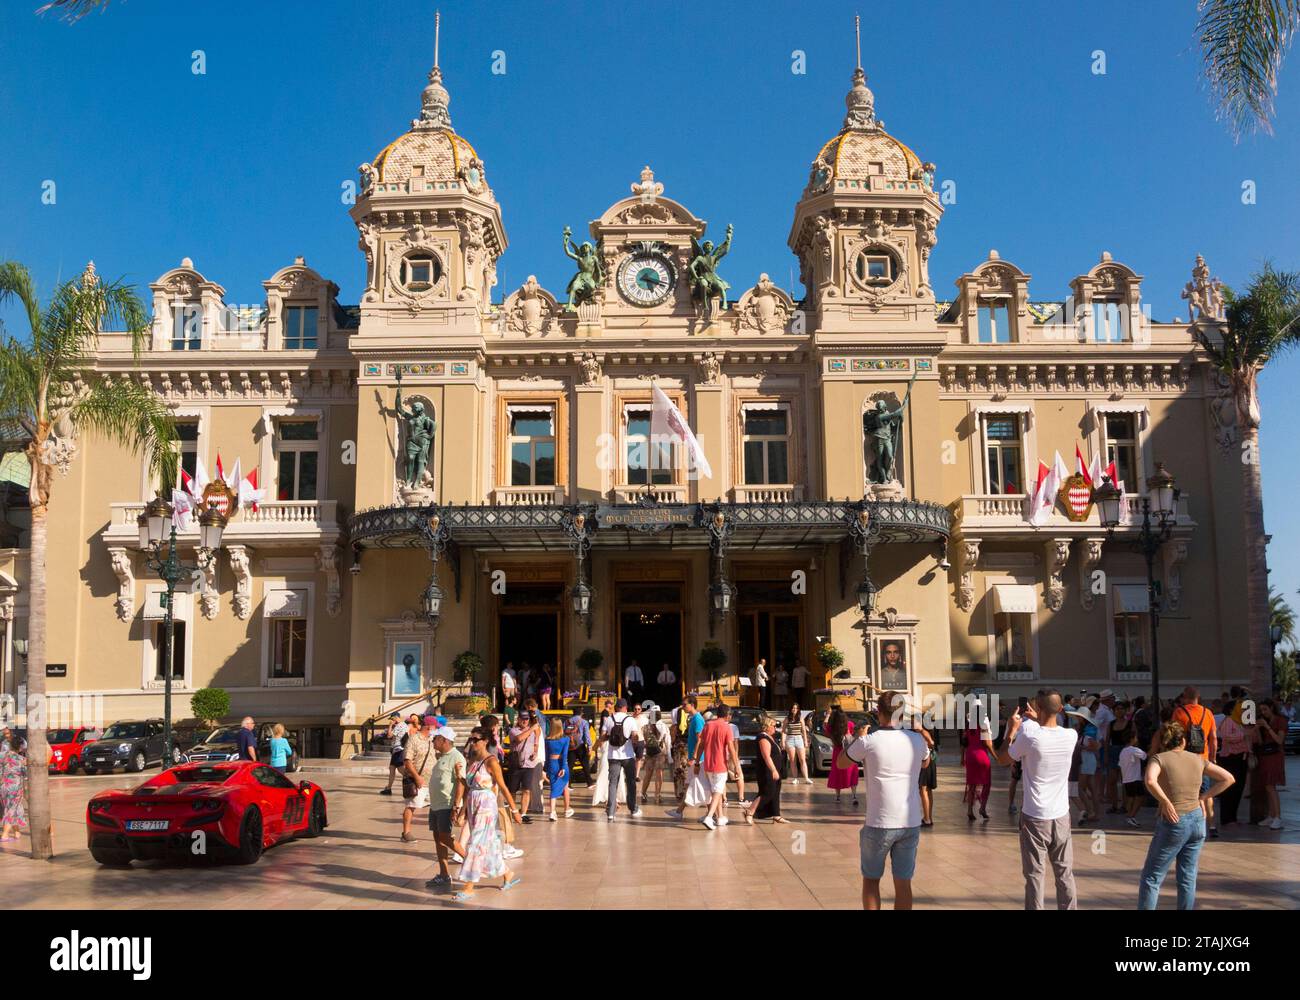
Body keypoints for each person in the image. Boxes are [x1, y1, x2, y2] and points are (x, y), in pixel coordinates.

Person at [837, 691, 928, 909]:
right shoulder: (917, 740)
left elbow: (841, 762)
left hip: (880, 822)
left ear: (879, 712)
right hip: (910, 821)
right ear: (902, 712)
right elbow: (925, 763)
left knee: (871, 880)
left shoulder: (869, 741)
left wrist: (858, 737)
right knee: (903, 882)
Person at [1137, 721, 1234, 909]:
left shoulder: (1159, 758)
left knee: (1152, 877)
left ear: (1165, 742)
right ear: (1183, 740)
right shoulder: (1197, 759)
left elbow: (1150, 780)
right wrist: (1204, 797)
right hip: (1198, 821)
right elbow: (1228, 778)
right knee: (1187, 878)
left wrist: (1164, 801)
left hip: (1174, 821)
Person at [996, 692, 1078, 911]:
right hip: (1061, 814)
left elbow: (1003, 759)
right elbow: (1047, 729)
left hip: (1035, 815)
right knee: (1064, 872)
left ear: (1038, 709)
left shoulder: (1030, 737)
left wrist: (1012, 731)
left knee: (1034, 875)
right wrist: (1036, 719)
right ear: (1061, 710)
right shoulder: (1071, 736)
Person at [453, 730, 521, 901]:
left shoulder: (491, 761)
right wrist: (462, 811)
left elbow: (503, 787)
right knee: (487, 844)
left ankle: (469, 886)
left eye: (476, 739)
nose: (473, 742)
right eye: (471, 738)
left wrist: (514, 810)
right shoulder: (473, 760)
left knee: (476, 843)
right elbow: (469, 787)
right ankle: (507, 873)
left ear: (485, 741)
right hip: (473, 803)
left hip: (486, 805)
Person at [424, 726, 466, 890]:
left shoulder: (457, 758)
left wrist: (456, 807)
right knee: (438, 839)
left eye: (436, 739)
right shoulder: (442, 757)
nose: (433, 741)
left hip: (447, 805)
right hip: (436, 805)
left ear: (444, 740)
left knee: (445, 838)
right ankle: (444, 874)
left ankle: (470, 861)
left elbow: (461, 784)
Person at [1171, 686, 1217, 834]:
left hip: (1184, 759)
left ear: (1185, 697)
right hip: (1202, 760)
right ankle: (1211, 825)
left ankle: (1188, 824)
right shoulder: (1208, 713)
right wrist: (1213, 758)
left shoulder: (1179, 712)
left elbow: (1173, 735)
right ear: (1198, 697)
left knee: (1184, 793)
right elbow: (1213, 739)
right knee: (1205, 793)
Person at [693, 703, 737, 830]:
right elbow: (732, 749)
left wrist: (697, 762)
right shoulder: (726, 727)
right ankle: (709, 816)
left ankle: (720, 817)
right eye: (730, 715)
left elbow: (701, 745)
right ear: (727, 715)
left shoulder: (708, 725)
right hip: (720, 764)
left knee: (714, 790)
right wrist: (736, 767)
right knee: (718, 791)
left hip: (708, 764)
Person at [600, 698, 642, 821]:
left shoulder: (608, 719)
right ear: (625, 708)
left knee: (613, 783)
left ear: (616, 707)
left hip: (612, 756)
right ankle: (633, 809)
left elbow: (602, 737)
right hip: (628, 755)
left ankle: (611, 813)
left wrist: (610, 737)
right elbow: (635, 737)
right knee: (631, 783)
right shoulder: (630, 720)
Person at [400, 716, 437, 842]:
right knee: (411, 806)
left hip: (431, 780)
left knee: (435, 805)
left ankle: (438, 831)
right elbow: (407, 761)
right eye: (435, 727)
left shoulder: (431, 740)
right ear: (429, 727)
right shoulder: (414, 739)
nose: (436, 729)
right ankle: (406, 832)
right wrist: (417, 777)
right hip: (417, 781)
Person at [744, 717, 787, 825]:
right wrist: (773, 770)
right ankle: (750, 812)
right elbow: (766, 756)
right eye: (773, 725)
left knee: (775, 792)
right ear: (767, 727)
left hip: (775, 769)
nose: (774, 728)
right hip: (767, 771)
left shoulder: (770, 737)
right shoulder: (763, 737)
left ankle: (776, 815)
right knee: (767, 792)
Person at [667, 697, 704, 816]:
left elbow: (700, 739)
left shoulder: (698, 719)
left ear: (692, 704)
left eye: (684, 705)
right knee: (689, 785)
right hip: (694, 758)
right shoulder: (692, 719)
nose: (683, 707)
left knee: (703, 787)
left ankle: (714, 814)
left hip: (697, 759)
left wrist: (694, 757)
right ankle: (679, 811)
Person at [1216, 699, 1250, 826]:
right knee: (1230, 789)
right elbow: (1226, 736)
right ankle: (1227, 818)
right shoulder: (1229, 721)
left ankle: (1233, 818)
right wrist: (1243, 736)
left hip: (1241, 758)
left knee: (1238, 789)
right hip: (1230, 759)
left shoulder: (1241, 722)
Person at [1253, 699, 1286, 830]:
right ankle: (1272, 815)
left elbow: (1279, 740)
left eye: (1265, 709)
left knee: (1271, 786)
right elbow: (1261, 742)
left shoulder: (1280, 720)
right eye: (1261, 710)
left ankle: (1278, 817)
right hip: (1265, 755)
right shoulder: (1264, 721)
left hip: (1275, 755)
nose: (1263, 712)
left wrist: (1267, 727)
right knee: (1267, 786)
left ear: (1272, 707)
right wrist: (1257, 729)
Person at [509, 704, 545, 822]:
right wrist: (531, 729)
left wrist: (535, 752)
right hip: (516, 764)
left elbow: (536, 742)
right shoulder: (514, 731)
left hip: (529, 764)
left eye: (526, 719)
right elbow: (519, 738)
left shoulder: (534, 730)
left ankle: (523, 813)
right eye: (522, 719)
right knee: (513, 791)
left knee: (526, 790)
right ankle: (512, 812)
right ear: (518, 719)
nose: (524, 721)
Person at [962, 703, 995, 821]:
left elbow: (964, 743)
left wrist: (963, 757)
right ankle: (982, 808)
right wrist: (996, 756)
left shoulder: (968, 727)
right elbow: (987, 743)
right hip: (981, 756)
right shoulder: (983, 726)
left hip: (970, 756)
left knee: (972, 785)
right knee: (986, 783)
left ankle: (970, 810)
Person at [827, 706, 860, 806]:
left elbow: (825, 726)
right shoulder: (849, 724)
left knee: (837, 773)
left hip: (837, 752)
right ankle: (854, 795)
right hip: (849, 751)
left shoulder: (831, 727)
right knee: (852, 773)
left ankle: (838, 796)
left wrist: (828, 715)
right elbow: (854, 733)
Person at [544, 718, 573, 821]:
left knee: (553, 787)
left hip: (552, 764)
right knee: (565, 785)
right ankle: (566, 809)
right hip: (561, 763)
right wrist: (564, 768)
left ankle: (552, 812)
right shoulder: (565, 739)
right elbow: (565, 755)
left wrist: (546, 768)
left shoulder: (547, 740)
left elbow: (547, 755)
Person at [1118, 725, 1147, 828]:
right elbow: (1145, 756)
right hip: (1135, 779)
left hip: (1126, 779)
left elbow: (1120, 766)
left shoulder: (1122, 752)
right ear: (1132, 739)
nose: (1137, 739)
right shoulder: (1134, 750)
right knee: (1140, 797)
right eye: (1136, 737)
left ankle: (1129, 816)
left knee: (1131, 798)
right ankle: (1131, 816)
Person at [640, 708, 670, 806]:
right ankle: (657, 795)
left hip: (649, 752)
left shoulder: (645, 727)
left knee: (648, 774)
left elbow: (643, 740)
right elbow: (667, 740)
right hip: (660, 752)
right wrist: (669, 754)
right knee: (659, 774)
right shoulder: (663, 726)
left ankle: (643, 793)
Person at [0, 737, 28, 844]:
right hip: (15, 787)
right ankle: (5, 834)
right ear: (20, 747)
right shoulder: (21, 759)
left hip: (3, 786)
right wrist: (26, 765)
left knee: (15, 808)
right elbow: (26, 774)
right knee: (11, 810)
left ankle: (17, 832)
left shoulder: (2, 755)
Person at [917, 714, 938, 827]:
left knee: (923, 790)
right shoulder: (932, 731)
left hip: (925, 762)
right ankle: (928, 817)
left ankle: (927, 818)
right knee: (928, 790)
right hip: (931, 761)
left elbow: (931, 744)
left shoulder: (923, 732)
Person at [565, 706, 593, 787]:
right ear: (581, 713)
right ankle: (589, 783)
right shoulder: (584, 722)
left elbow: (564, 733)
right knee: (585, 765)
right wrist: (589, 746)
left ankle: (568, 784)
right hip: (580, 746)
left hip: (570, 746)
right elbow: (587, 735)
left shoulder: (567, 722)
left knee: (570, 765)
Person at [381, 712, 408, 795]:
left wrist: (390, 725)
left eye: (392, 719)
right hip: (397, 750)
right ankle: (388, 788)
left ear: (396, 717)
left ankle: (413, 778)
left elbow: (389, 735)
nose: (392, 721)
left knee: (400, 769)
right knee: (392, 768)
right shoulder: (404, 725)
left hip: (399, 750)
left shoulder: (399, 725)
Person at [783, 704, 811, 784]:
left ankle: (806, 778)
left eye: (796, 708)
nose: (794, 709)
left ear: (798, 709)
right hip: (790, 739)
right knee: (792, 760)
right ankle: (795, 778)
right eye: (793, 708)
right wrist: (783, 741)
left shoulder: (801, 719)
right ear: (791, 709)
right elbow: (784, 731)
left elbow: (803, 731)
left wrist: (805, 740)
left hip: (799, 739)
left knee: (802, 759)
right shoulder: (787, 719)